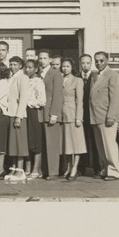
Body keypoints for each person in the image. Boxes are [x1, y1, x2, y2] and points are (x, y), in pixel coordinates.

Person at [89, 52, 119, 181]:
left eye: (101, 61)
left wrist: (111, 116)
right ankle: (105, 169)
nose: (99, 63)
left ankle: (114, 171)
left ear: (107, 61)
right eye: (96, 61)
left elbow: (115, 97)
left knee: (109, 145)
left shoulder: (113, 75)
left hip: (106, 116)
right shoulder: (95, 75)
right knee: (101, 147)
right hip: (96, 116)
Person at [38, 50, 64, 180]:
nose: (42, 60)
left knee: (52, 144)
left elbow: (58, 95)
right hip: (40, 113)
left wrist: (54, 114)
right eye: (40, 58)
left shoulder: (55, 74)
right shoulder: (38, 74)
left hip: (50, 113)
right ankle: (44, 170)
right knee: (43, 144)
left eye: (44, 58)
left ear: (50, 60)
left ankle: (53, 172)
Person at [58, 58, 86, 180]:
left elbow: (80, 100)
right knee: (67, 144)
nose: (65, 69)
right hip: (62, 115)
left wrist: (79, 117)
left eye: (67, 66)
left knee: (77, 144)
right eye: (63, 66)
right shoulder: (59, 79)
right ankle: (68, 167)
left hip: (73, 115)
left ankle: (75, 167)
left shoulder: (77, 81)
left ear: (72, 67)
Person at [4, 56, 30, 182]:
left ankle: (20, 170)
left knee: (20, 144)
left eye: (15, 64)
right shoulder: (12, 78)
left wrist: (19, 116)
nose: (12, 66)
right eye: (11, 64)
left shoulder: (23, 78)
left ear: (20, 65)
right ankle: (14, 168)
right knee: (13, 144)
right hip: (10, 114)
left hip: (18, 115)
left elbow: (23, 98)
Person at [24, 59, 45, 181]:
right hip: (24, 112)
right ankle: (28, 168)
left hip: (34, 112)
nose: (27, 70)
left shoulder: (38, 82)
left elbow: (42, 101)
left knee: (36, 141)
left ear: (36, 69)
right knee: (27, 140)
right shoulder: (25, 80)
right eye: (26, 67)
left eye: (30, 67)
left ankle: (36, 169)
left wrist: (28, 103)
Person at [78, 54, 99, 176]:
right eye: (83, 63)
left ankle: (97, 167)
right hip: (82, 114)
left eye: (87, 63)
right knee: (82, 141)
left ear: (91, 64)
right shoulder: (77, 78)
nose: (85, 65)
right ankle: (81, 167)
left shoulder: (96, 77)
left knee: (95, 141)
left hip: (94, 113)